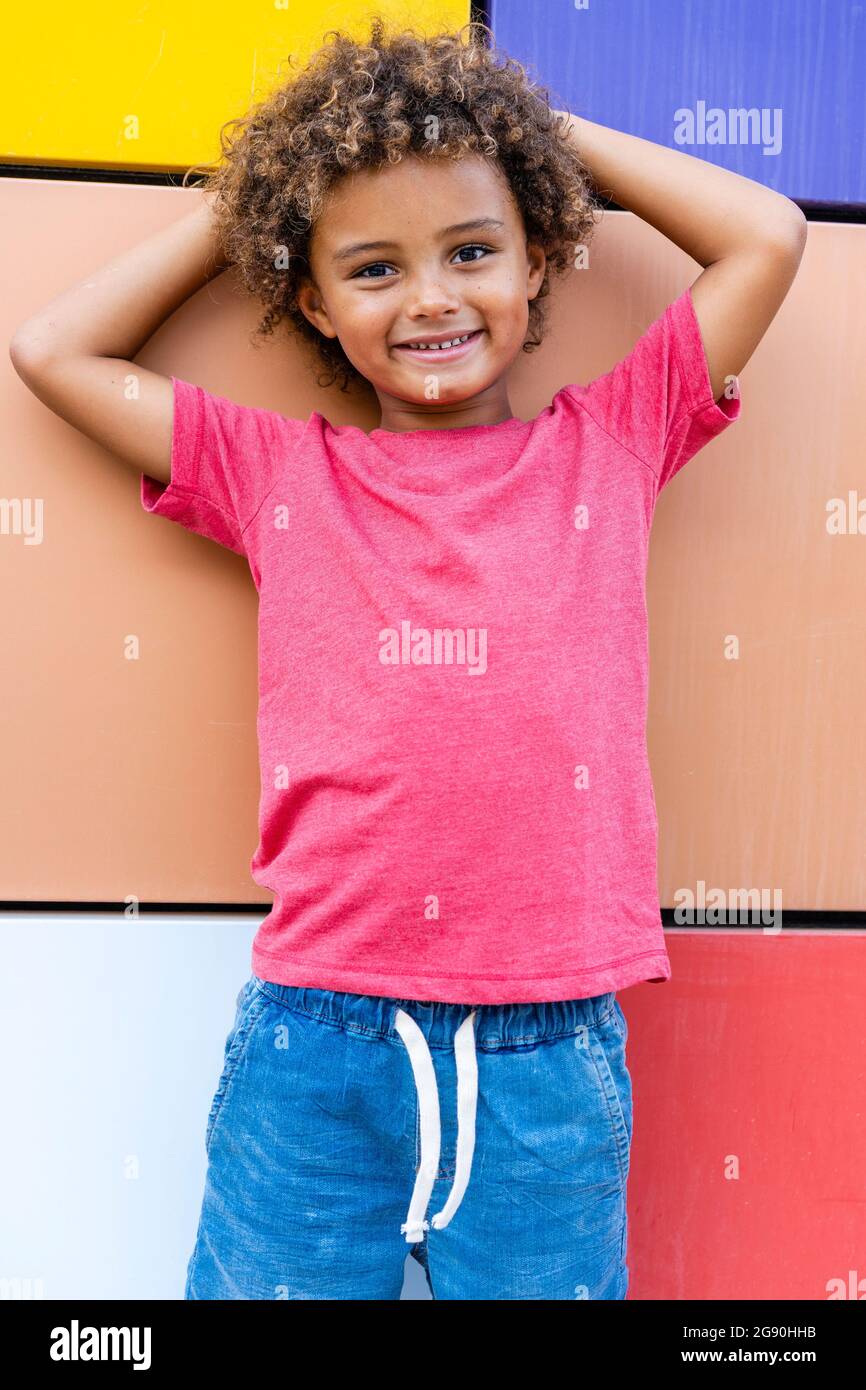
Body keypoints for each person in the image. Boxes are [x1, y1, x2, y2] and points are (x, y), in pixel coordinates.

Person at [9, 18, 806, 1299]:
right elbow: (52, 351)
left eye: (473, 251)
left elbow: (766, 234)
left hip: (549, 1054)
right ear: (312, 300)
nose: (431, 298)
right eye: (371, 268)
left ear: (540, 258)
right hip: (318, 1042)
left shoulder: (613, 441)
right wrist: (257, 208)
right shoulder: (275, 471)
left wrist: (534, 139)